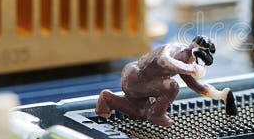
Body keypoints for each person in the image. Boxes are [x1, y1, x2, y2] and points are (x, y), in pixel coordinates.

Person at [96, 35, 236, 126]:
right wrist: (190, 68)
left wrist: (219, 95)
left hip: (143, 83)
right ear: (196, 51)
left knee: (140, 114)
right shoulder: (176, 50)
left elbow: (194, 85)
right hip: (136, 78)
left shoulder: (186, 61)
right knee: (172, 86)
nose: (200, 64)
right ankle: (156, 115)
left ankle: (107, 99)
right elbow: (163, 60)